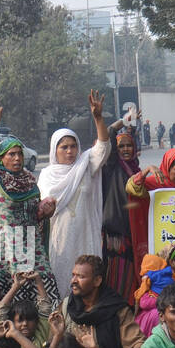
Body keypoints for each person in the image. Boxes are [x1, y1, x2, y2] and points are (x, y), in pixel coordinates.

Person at [0, 96, 58, 301]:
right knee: (15, 300)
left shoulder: (29, 181)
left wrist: (47, 211)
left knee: (47, 292)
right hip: (7, 250)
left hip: (33, 246)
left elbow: (35, 216)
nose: (17, 158)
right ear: (1, 158)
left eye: (20, 154)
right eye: (11, 154)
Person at [39, 90, 111, 294]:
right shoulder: (46, 175)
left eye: (73, 146)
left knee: (90, 283)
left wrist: (98, 118)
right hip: (60, 239)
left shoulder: (86, 164)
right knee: (63, 285)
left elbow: (104, 147)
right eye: (64, 147)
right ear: (55, 150)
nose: (70, 151)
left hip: (86, 236)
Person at [57, 255, 143, 348]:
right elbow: (54, 345)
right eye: (73, 275)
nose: (73, 281)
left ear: (97, 280)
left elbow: (137, 343)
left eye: (81, 276)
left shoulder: (116, 309)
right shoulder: (66, 306)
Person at [126, 147, 175, 272]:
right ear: (168, 167)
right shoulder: (154, 183)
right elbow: (132, 188)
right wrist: (148, 169)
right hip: (158, 239)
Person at [100, 124, 142, 302]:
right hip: (116, 234)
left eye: (129, 146)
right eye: (121, 146)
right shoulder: (111, 167)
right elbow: (108, 135)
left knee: (131, 276)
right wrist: (120, 123)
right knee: (116, 277)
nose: (125, 149)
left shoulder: (136, 170)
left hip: (133, 231)